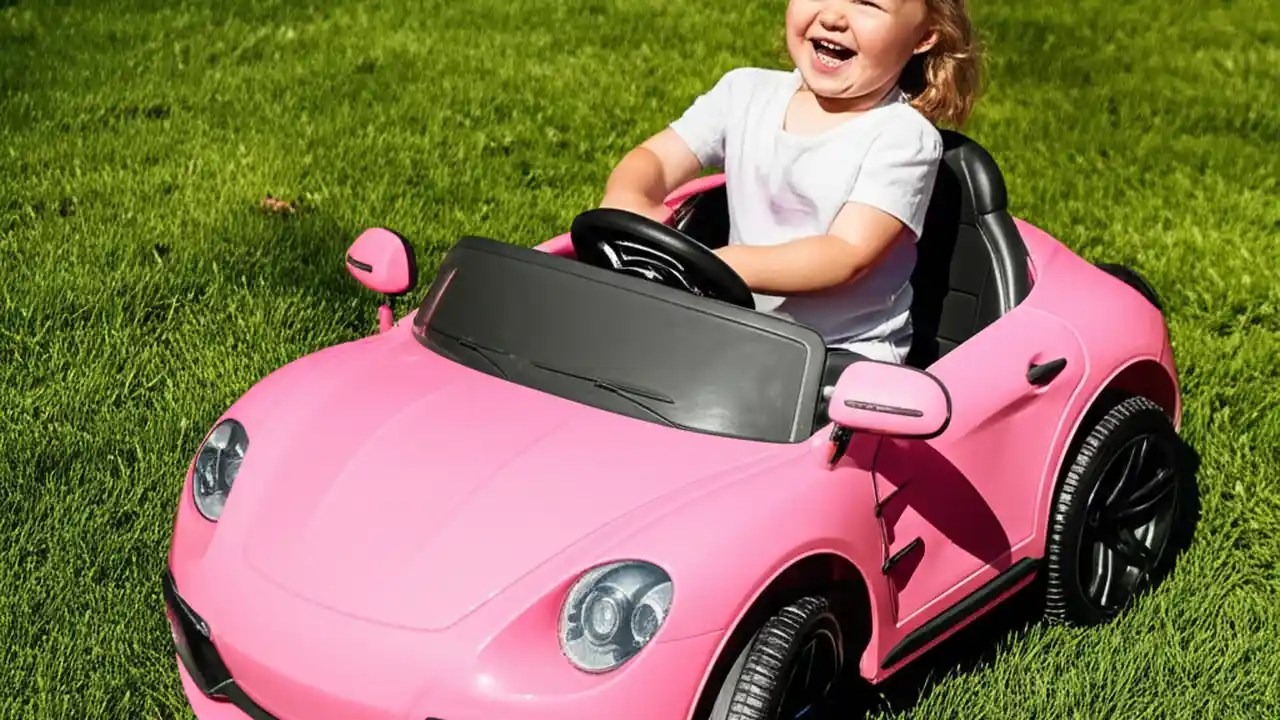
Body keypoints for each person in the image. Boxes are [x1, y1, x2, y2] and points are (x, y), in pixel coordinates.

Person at [598, 0, 981, 364]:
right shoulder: (744, 93)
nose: (833, 16)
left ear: (925, 36)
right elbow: (656, 160)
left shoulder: (902, 137)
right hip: (738, 328)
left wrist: (721, 264)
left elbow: (846, 254)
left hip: (838, 359)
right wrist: (628, 193)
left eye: (867, 3)